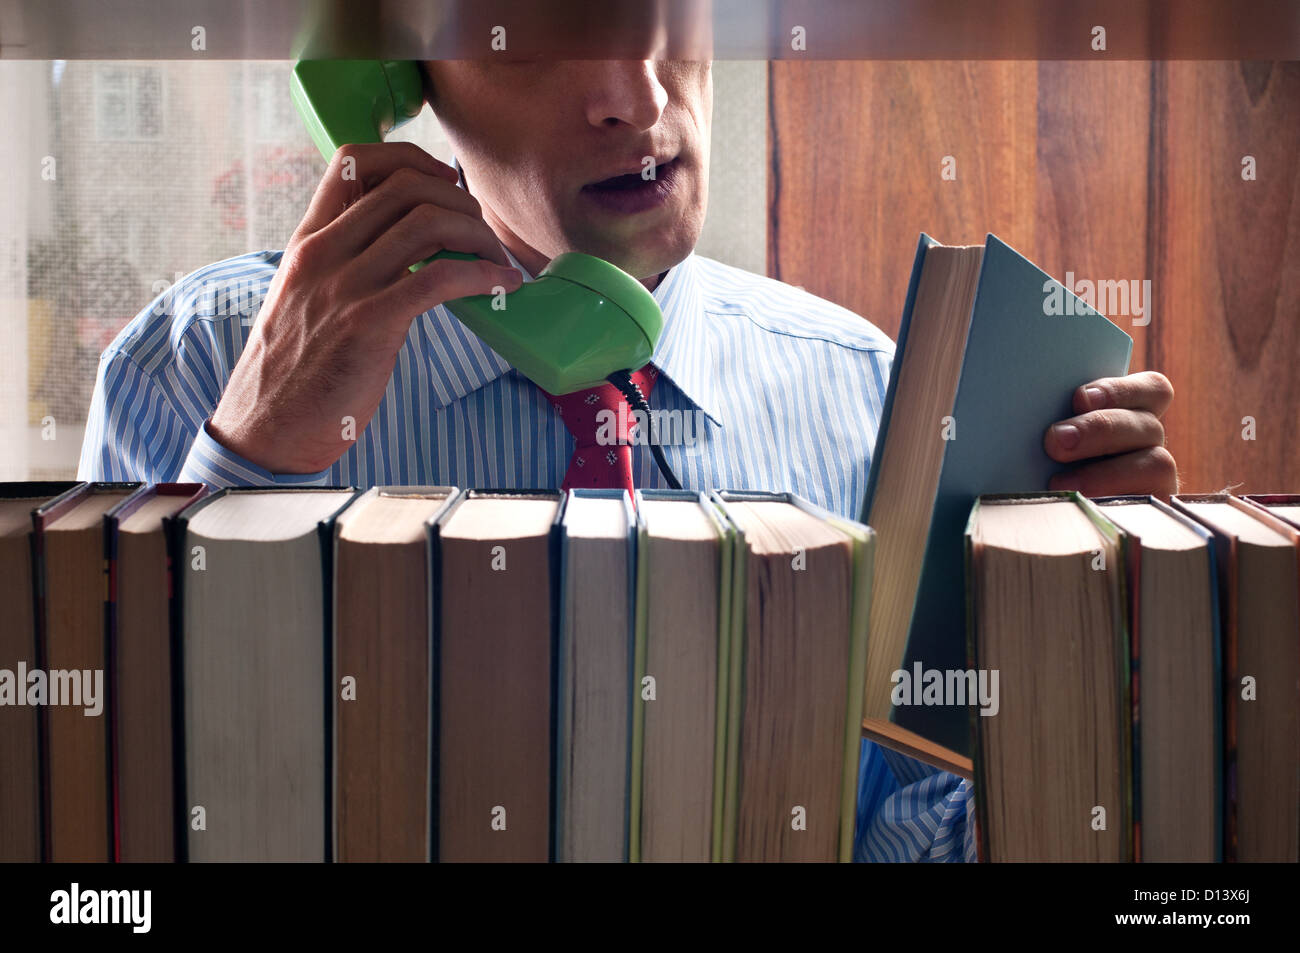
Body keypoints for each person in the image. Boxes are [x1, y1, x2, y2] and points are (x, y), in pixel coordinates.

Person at [78, 59, 1178, 861]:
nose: (636, 96)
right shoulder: (197, 370)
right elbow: (98, 842)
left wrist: (1090, 668)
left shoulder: (876, 397)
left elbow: (909, 836)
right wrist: (254, 467)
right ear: (387, 72)